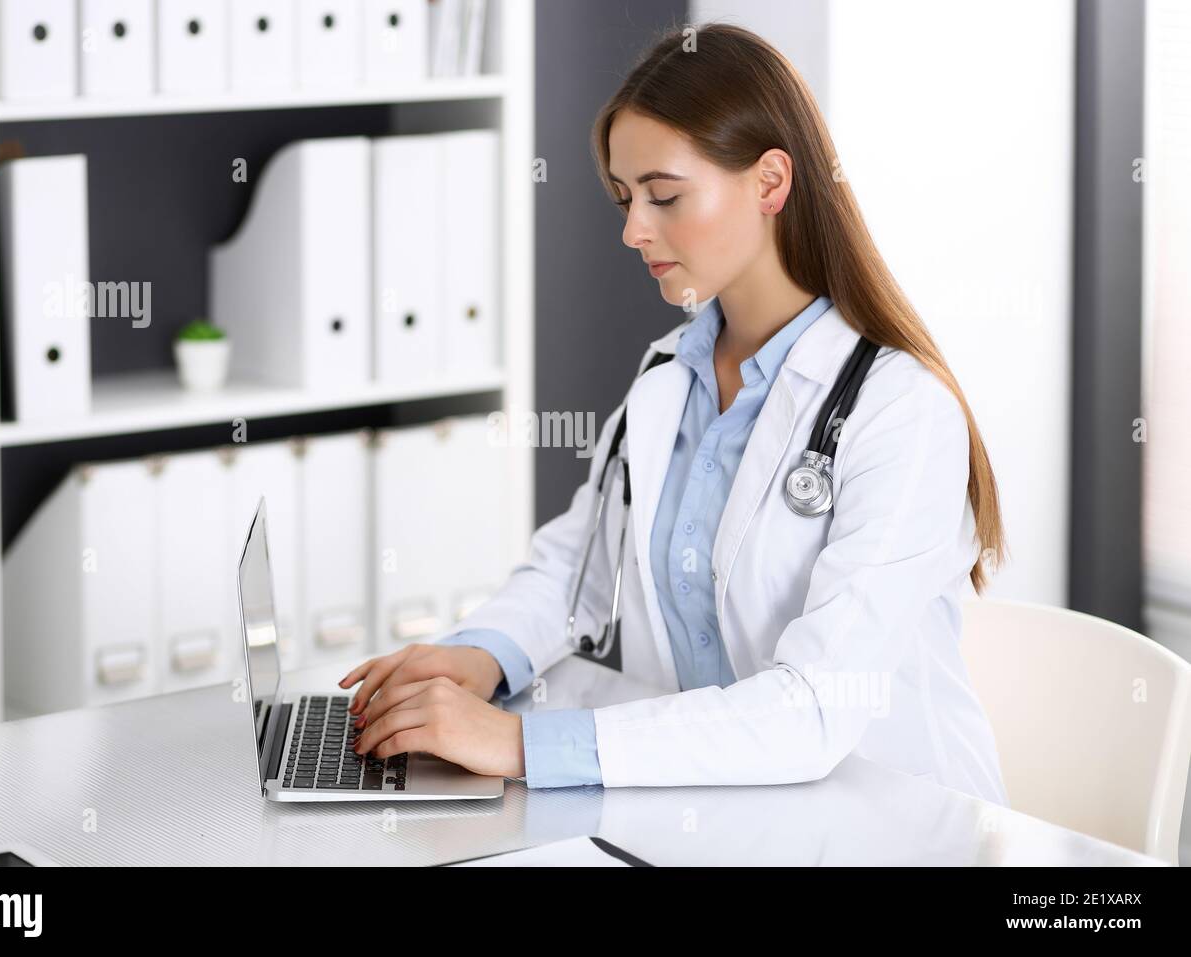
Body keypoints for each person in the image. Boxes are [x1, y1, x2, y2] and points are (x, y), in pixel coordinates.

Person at [340, 23, 1009, 804]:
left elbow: (816, 706)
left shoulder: (902, 412)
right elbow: (579, 569)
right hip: (720, 806)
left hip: (893, 820)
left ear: (770, 182)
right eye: (626, 198)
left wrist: (519, 743)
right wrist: (479, 657)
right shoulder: (670, 374)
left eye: (664, 196)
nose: (633, 230)